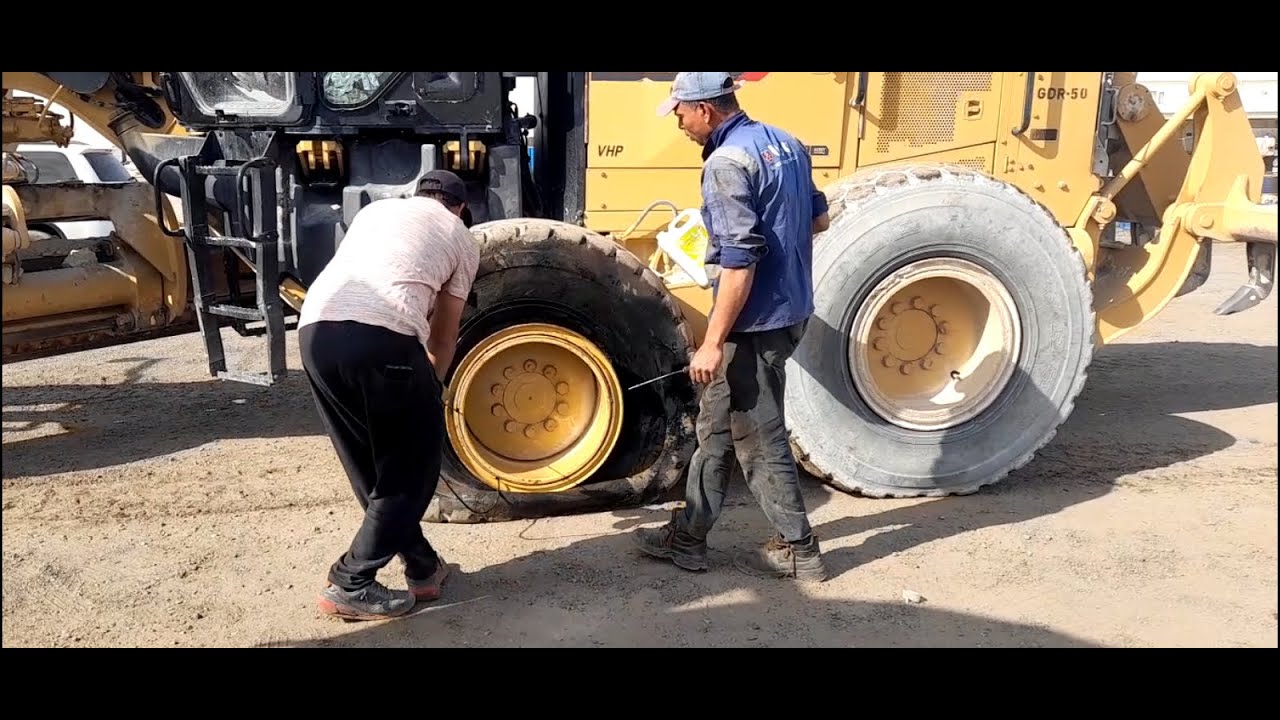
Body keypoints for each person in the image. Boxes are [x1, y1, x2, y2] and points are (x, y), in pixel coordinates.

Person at [632, 73, 832, 583]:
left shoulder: (725, 163)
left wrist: (713, 342)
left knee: (759, 439)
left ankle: (799, 549)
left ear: (705, 109)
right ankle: (689, 537)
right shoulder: (785, 143)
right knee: (715, 428)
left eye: (680, 111)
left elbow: (740, 262)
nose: (677, 121)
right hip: (791, 310)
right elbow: (818, 220)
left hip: (752, 326)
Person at [298, 169, 480, 620]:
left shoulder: (375, 213)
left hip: (314, 332)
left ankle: (422, 566)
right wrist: (430, 387)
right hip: (383, 336)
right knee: (412, 471)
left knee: (371, 466)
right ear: (459, 207)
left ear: (419, 195)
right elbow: (443, 336)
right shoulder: (459, 234)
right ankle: (351, 581)